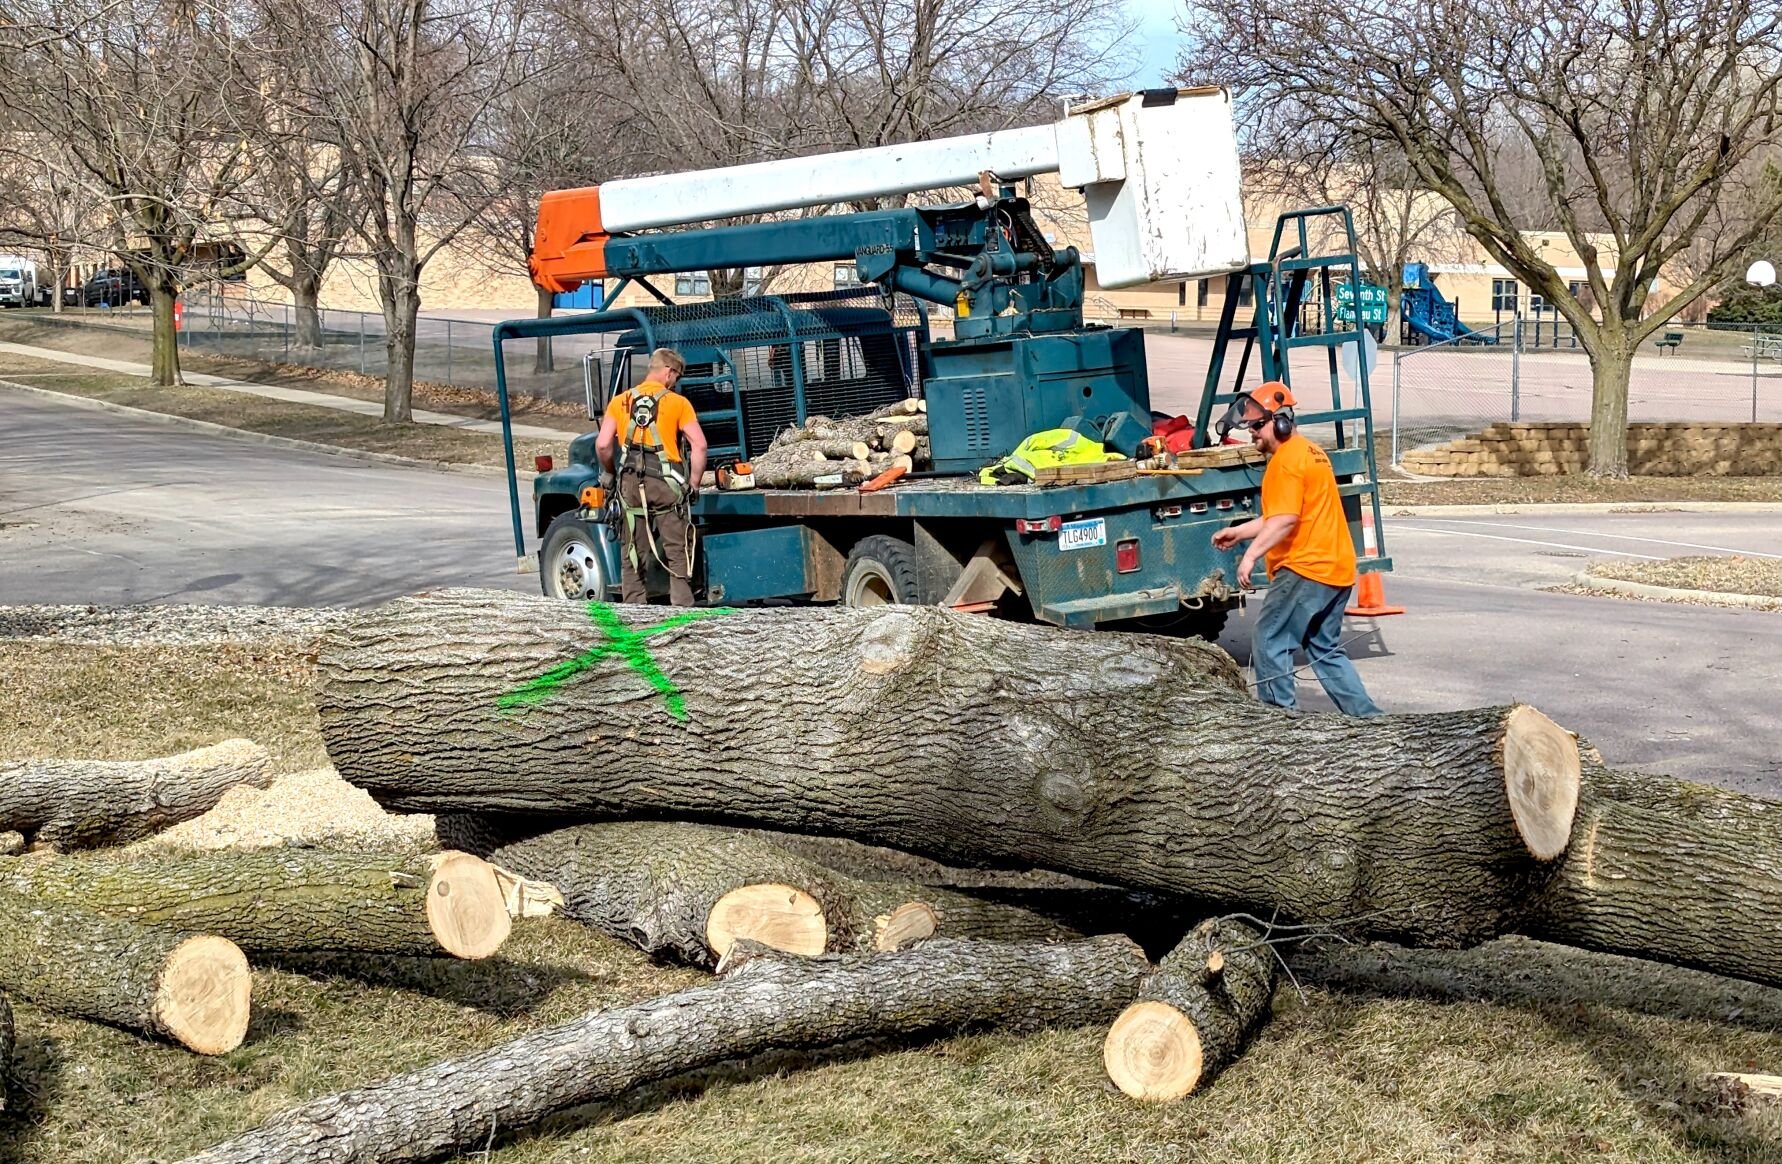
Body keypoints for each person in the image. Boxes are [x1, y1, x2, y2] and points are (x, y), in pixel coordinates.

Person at [1210, 382, 1381, 716]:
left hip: (1306, 567)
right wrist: (1239, 532)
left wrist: (1250, 556)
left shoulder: (1285, 462)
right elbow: (1280, 514)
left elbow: (1286, 520)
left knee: (1269, 638)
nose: (1251, 433)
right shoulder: (1312, 453)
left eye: (1257, 425)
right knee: (1323, 648)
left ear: (1281, 423)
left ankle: (1280, 721)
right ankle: (1369, 720)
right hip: (1336, 569)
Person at [596, 347, 707, 606]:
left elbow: (602, 445)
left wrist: (610, 473)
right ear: (668, 372)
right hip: (667, 485)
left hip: (629, 484)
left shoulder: (619, 401)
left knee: (633, 553)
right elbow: (700, 446)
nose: (675, 382)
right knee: (677, 551)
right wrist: (693, 484)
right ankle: (682, 610)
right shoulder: (678, 403)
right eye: (676, 377)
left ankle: (634, 611)